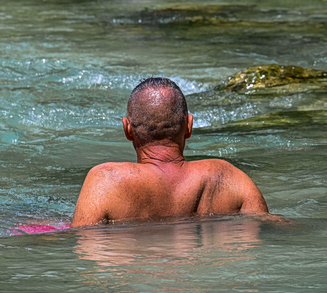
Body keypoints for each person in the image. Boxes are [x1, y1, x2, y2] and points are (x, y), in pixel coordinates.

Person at [71, 77, 271, 227]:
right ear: (189, 126)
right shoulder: (229, 177)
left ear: (127, 129)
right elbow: (269, 227)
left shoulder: (106, 181)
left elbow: (81, 241)